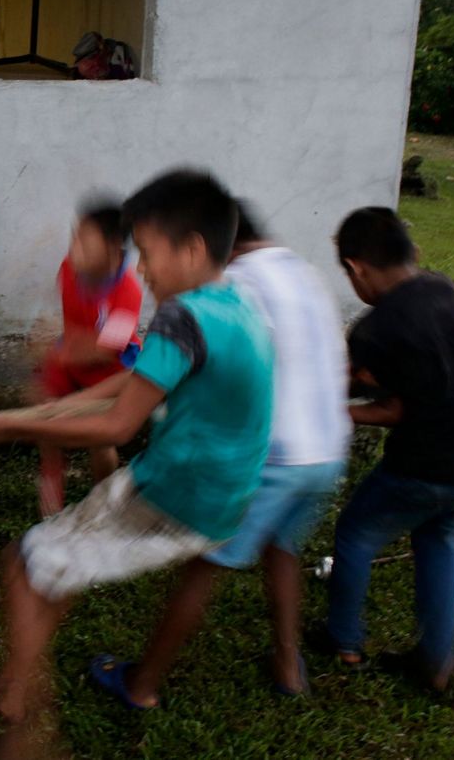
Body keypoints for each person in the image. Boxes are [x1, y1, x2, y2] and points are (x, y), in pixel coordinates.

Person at [0, 170, 273, 729]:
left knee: (20, 562)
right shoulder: (231, 305)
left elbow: (116, 425)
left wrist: (6, 428)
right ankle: (13, 683)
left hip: (173, 492)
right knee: (53, 562)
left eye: (150, 254)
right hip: (223, 499)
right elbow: (131, 384)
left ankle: (19, 706)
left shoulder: (182, 317)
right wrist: (38, 412)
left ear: (192, 249)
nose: (140, 269)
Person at [128, 201, 351, 699]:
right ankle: (287, 665)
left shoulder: (238, 285)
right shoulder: (301, 268)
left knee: (205, 565)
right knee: (283, 548)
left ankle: (142, 684)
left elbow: (218, 370)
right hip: (328, 449)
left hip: (274, 454)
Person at [322, 207, 454, 693]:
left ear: (357, 268)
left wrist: (339, 410)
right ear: (413, 254)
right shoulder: (444, 289)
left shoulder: (376, 329)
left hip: (428, 470)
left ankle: (343, 641)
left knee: (357, 533)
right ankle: (436, 661)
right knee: (437, 540)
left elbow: (394, 409)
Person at [34, 202, 143, 516]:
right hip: (69, 356)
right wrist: (61, 356)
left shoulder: (128, 292)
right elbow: (73, 328)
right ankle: (51, 489)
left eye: (84, 240)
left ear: (110, 249)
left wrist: (62, 350)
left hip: (109, 371)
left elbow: (107, 349)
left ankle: (103, 500)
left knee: (100, 438)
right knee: (48, 421)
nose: (73, 247)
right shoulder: (68, 269)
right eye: (74, 236)